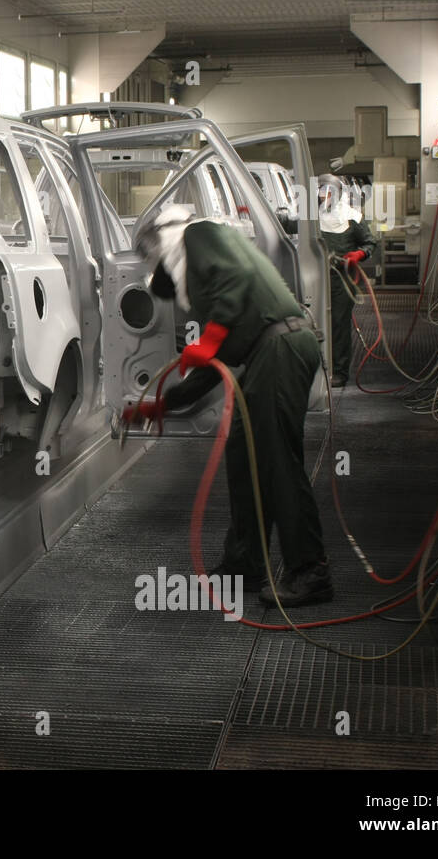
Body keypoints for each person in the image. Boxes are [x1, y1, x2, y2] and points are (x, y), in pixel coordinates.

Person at [121, 205, 332, 607]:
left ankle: (310, 571)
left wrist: (210, 339)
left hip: (281, 348)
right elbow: (211, 369)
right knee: (244, 455)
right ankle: (245, 564)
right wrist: (158, 407)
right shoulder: (201, 278)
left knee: (276, 463)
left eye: (151, 257)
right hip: (265, 354)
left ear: (161, 242)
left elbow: (232, 294)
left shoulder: (200, 235)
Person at [318, 175, 378, 387]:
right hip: (317, 278)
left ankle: (339, 371)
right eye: (320, 191)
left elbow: (370, 243)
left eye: (328, 191)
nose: (324, 196)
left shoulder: (352, 217)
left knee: (338, 324)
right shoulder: (311, 218)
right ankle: (318, 369)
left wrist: (359, 255)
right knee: (315, 322)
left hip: (343, 279)